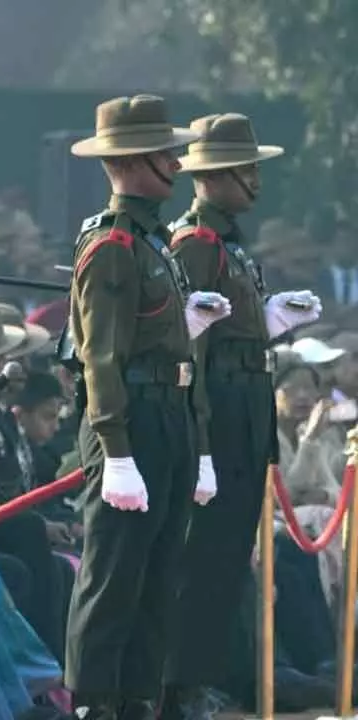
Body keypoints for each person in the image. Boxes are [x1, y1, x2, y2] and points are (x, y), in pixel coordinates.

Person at [63, 96, 233, 718]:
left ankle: (137, 700)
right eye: (164, 153)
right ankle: (95, 703)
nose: (176, 163)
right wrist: (115, 448)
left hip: (167, 414)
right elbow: (100, 357)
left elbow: (151, 338)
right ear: (133, 161)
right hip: (131, 419)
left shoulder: (150, 243)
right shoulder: (112, 244)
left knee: (157, 580)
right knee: (113, 577)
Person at [164, 113, 323, 718]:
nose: (255, 180)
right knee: (203, 563)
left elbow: (231, 334)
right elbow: (195, 352)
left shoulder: (227, 242)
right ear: (212, 175)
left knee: (228, 562)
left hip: (245, 410)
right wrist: (201, 443)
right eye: (243, 169)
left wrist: (269, 318)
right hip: (221, 417)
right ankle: (181, 686)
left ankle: (210, 678)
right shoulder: (196, 243)